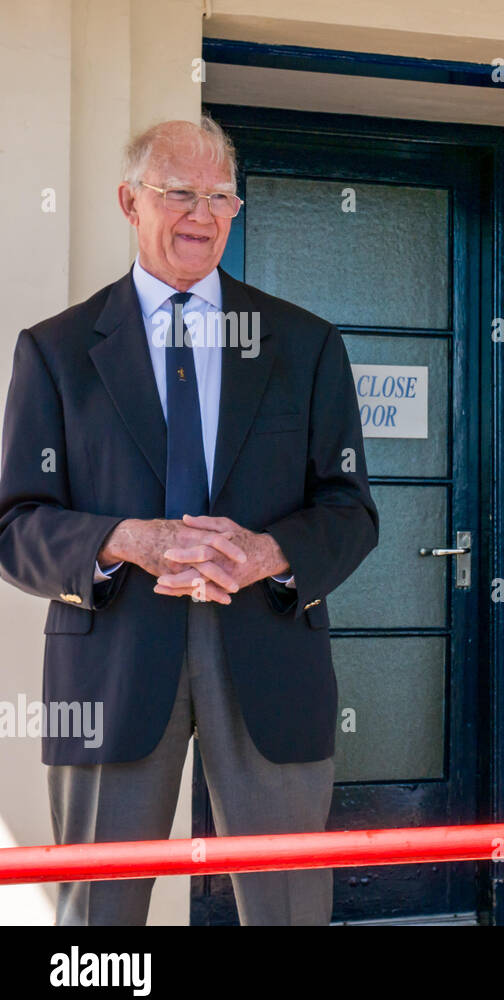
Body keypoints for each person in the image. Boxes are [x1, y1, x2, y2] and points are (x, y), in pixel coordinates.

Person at [0, 116, 378, 925]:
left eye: (219, 196)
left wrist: (272, 552)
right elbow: (17, 523)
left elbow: (349, 509)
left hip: (271, 653)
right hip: (112, 664)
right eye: (178, 194)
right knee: (96, 922)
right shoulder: (56, 349)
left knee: (287, 908)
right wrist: (120, 540)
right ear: (130, 202)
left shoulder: (307, 344)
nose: (201, 215)